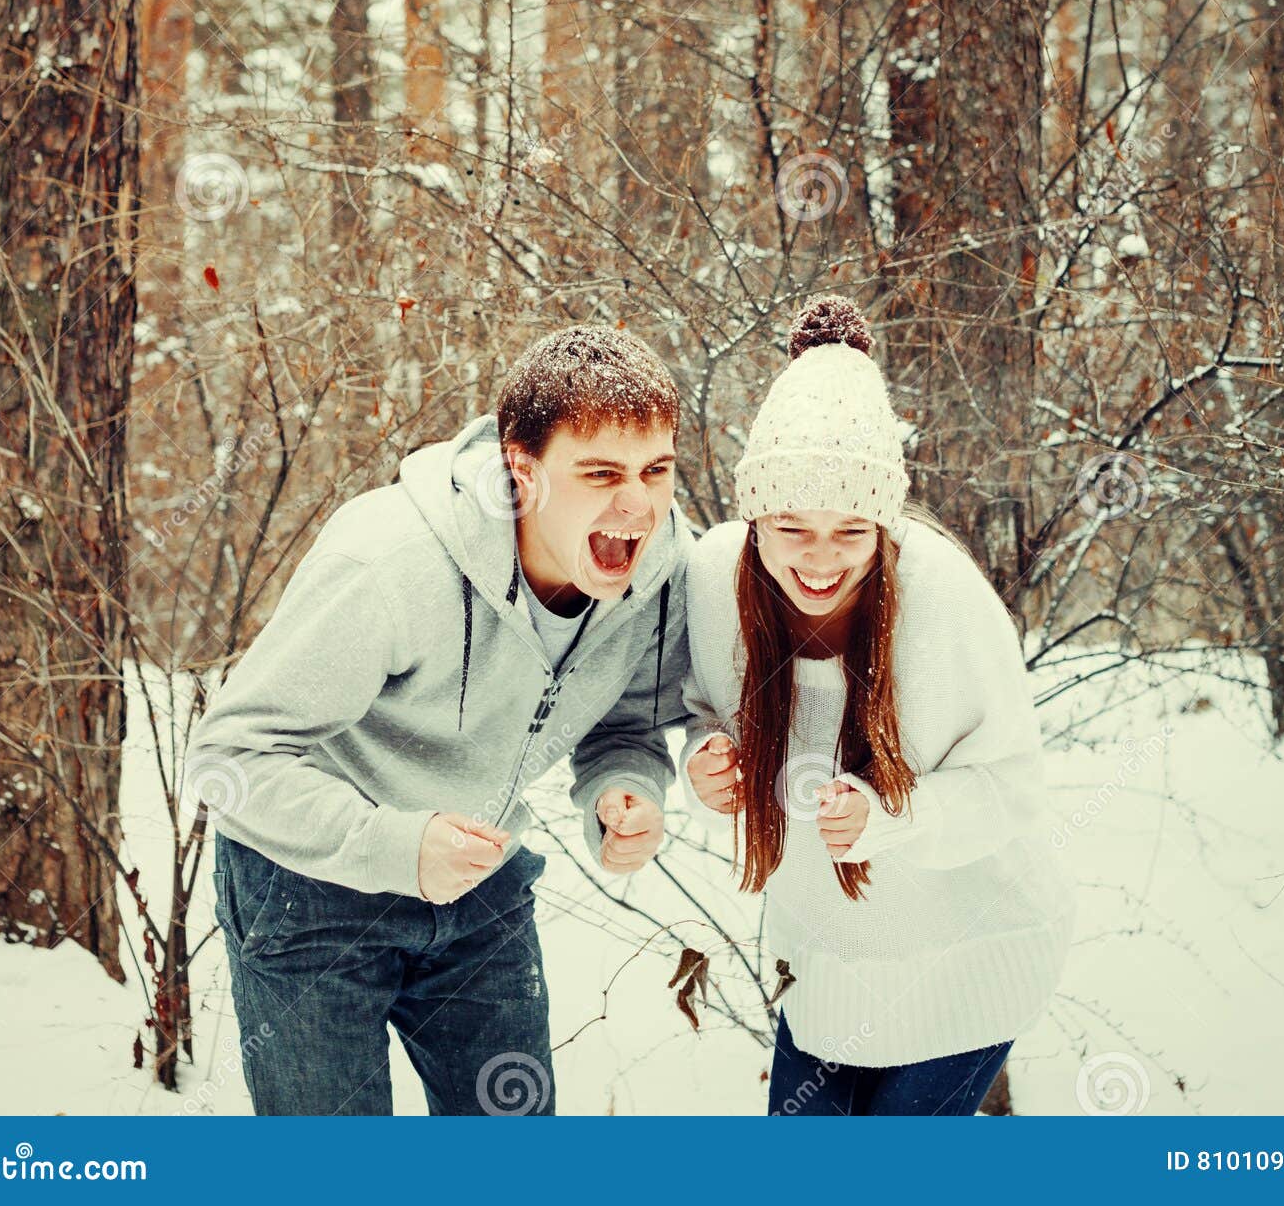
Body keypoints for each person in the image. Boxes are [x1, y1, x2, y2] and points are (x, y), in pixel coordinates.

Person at [189, 325, 693, 1115]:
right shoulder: (389, 561)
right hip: (309, 889)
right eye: (601, 473)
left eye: (656, 470)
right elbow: (228, 759)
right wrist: (395, 845)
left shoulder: (656, 572)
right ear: (521, 472)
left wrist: (625, 787)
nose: (638, 505)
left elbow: (623, 719)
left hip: (479, 887)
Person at [681, 294, 1075, 1116]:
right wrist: (706, 758)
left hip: (963, 964)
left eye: (851, 532)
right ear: (754, 519)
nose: (820, 561)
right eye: (792, 527)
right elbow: (703, 706)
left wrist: (894, 814)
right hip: (826, 966)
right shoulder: (718, 581)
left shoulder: (944, 601)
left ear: (884, 526)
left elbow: (1015, 787)